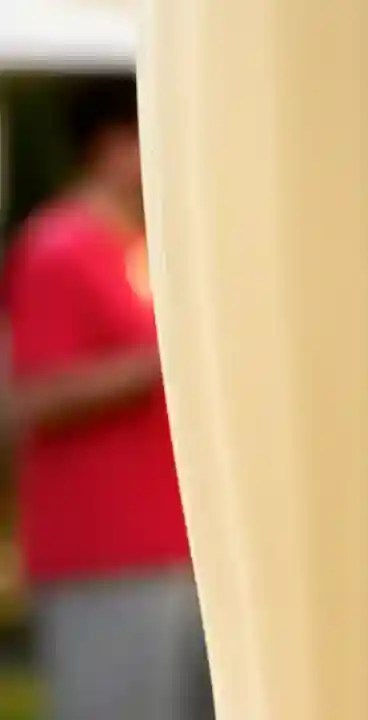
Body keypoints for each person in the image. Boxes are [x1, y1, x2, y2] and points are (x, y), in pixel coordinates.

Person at [1, 78, 213, 720]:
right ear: (115, 144)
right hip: (105, 554)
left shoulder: (140, 249)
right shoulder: (58, 248)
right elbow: (28, 398)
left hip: (177, 548)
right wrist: (171, 359)